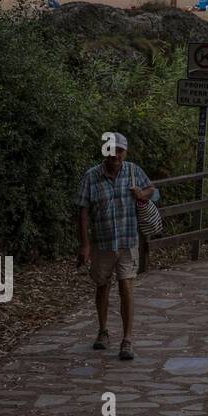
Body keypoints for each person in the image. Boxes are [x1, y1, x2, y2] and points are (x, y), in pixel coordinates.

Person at [74, 133, 156, 361]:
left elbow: (153, 190)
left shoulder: (133, 171)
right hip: (102, 242)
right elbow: (82, 211)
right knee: (102, 286)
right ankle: (103, 331)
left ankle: (127, 339)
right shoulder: (91, 177)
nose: (115, 155)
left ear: (125, 153)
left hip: (128, 241)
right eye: (111, 150)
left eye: (119, 151)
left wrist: (142, 193)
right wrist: (85, 245)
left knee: (126, 287)